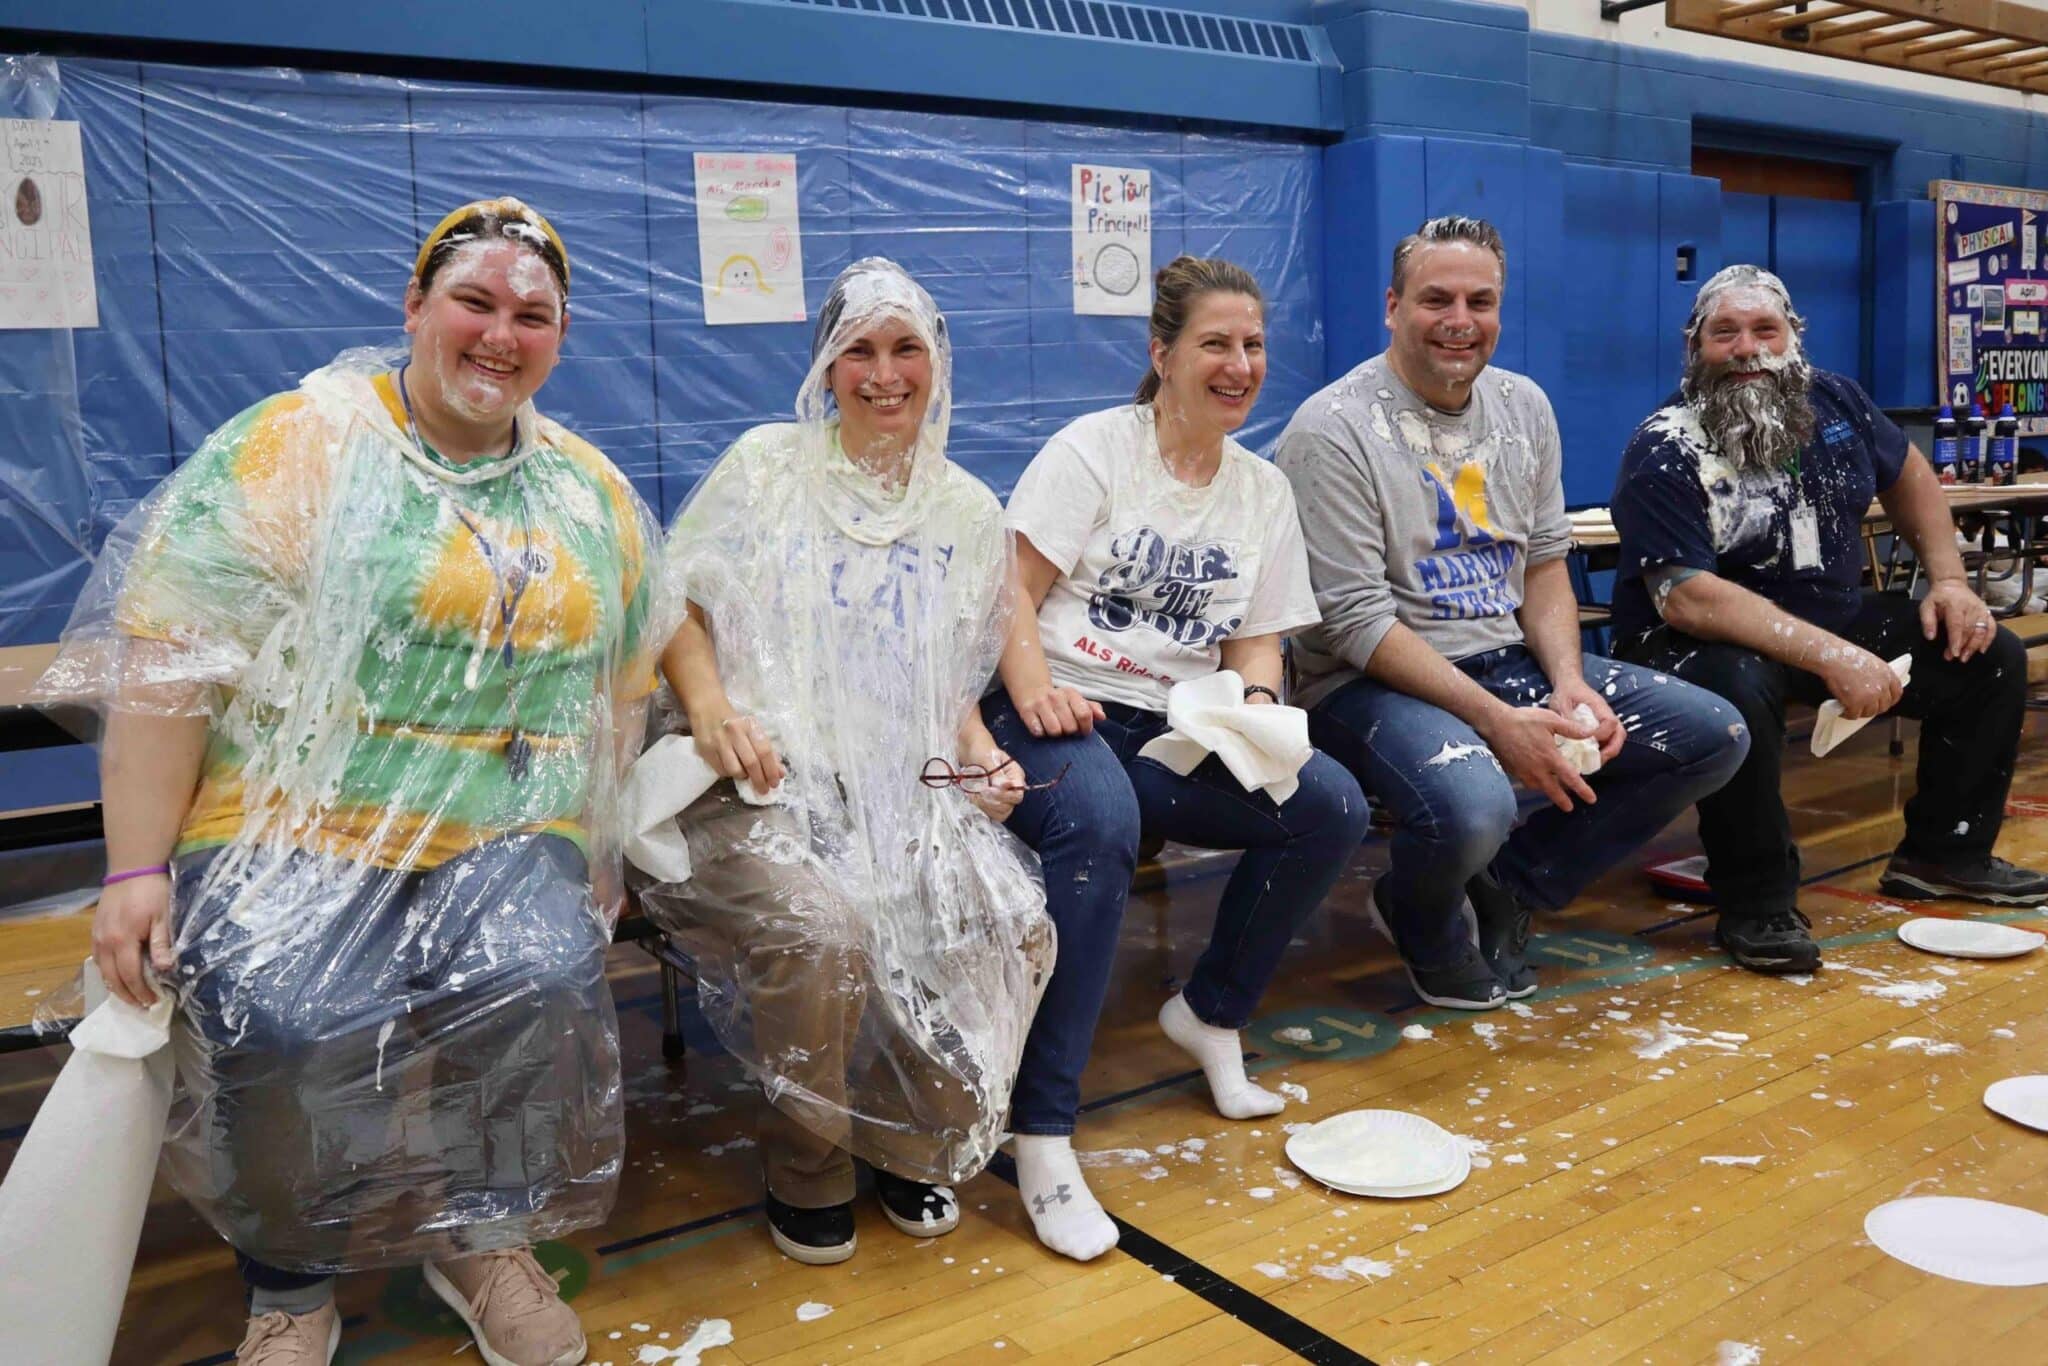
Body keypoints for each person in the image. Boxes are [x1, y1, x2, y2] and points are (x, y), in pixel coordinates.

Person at [39, 198, 661, 1366]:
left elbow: (617, 691)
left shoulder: (588, 496)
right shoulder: (297, 444)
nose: (498, 333)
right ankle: (290, 1279)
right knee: (284, 1006)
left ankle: (486, 1237)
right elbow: (170, 667)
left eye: (531, 315)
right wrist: (132, 868)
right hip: (288, 816)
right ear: (415, 308)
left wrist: (606, 844)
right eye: (472, 301)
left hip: (502, 821)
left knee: (538, 969)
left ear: (560, 340)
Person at [638, 259, 1054, 1267]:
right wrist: (709, 709)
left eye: (904, 348)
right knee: (823, 928)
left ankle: (911, 1130)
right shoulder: (765, 468)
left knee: (1004, 915)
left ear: (936, 366)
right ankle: (810, 1159)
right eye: (856, 351)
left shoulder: (961, 509)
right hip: (754, 780)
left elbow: (935, 679)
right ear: (824, 369)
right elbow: (674, 605)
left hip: (890, 783)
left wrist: (981, 757)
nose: (882, 374)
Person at [982, 255, 1370, 1264]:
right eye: (1214, 344)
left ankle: (1208, 1012)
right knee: (1098, 826)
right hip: (1052, 701)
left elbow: (1256, 637)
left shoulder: (1261, 489)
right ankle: (1043, 1131)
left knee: (1325, 802)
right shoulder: (1093, 453)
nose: (1239, 364)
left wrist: (1253, 705)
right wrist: (1031, 691)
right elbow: (1005, 594)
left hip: (1170, 723)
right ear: (1160, 355)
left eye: (1251, 345)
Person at [1276, 216, 1749, 1010]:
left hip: (1508, 660)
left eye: (1480, 300)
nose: (1460, 320)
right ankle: (1421, 914)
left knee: (1711, 735)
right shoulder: (1331, 430)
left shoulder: (1524, 407)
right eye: (1435, 299)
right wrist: (1498, 722)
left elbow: (1543, 564)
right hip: (1368, 684)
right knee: (1474, 803)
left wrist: (1566, 683)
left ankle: (1504, 887)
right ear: (1392, 307)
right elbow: (1356, 622)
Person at [1609, 264, 2048, 972]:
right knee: (1739, 689)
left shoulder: (1835, 401)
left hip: (1827, 617)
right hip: (1689, 641)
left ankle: (1944, 855)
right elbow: (1689, 597)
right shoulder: (1664, 444)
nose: (1747, 348)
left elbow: (1909, 473)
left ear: (1794, 340)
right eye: (1725, 333)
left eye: (1764, 330)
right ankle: (1755, 899)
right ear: (1695, 346)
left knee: (1987, 653)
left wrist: (1948, 580)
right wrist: (1830, 656)